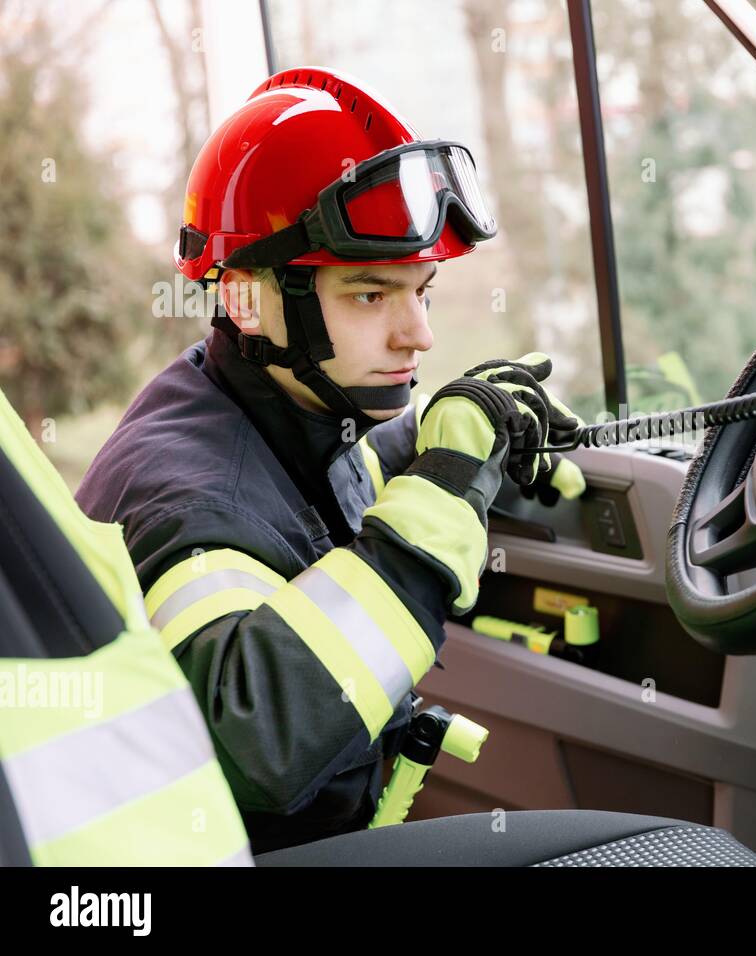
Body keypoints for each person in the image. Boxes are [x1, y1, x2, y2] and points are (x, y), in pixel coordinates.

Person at [75, 66, 584, 853]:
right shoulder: (187, 498)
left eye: (423, 292)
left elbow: (318, 503)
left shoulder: (284, 400)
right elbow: (257, 744)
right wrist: (439, 502)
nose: (419, 336)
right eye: (369, 296)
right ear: (248, 296)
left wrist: (454, 440)